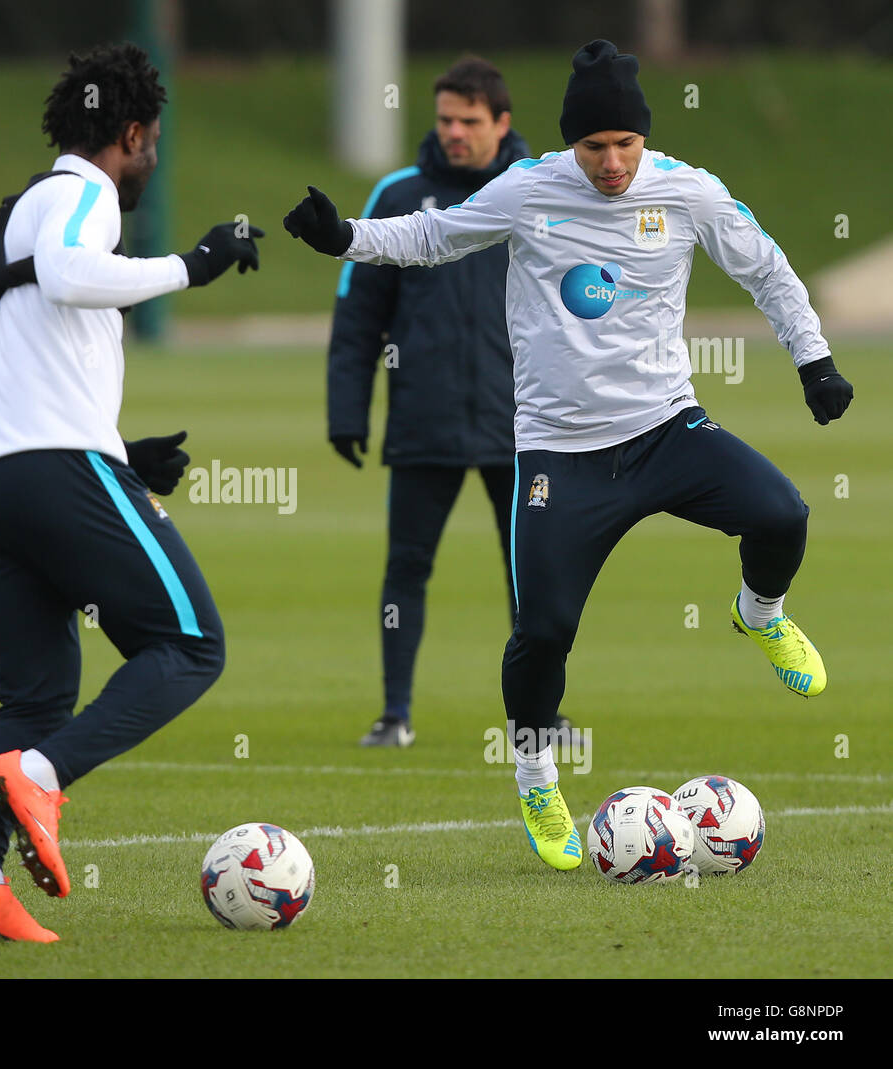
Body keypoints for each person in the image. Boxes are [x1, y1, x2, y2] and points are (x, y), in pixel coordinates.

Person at [283, 39, 852, 871]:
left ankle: (759, 615)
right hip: (559, 454)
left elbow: (767, 269)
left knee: (784, 513)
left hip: (666, 430)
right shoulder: (527, 189)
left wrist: (814, 359)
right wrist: (343, 237)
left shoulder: (687, 191)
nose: (612, 163)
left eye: (626, 144)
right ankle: (538, 774)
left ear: (644, 140)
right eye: (595, 147)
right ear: (569, 144)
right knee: (543, 629)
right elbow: (433, 236)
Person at [0, 42, 260, 942]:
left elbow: (33, 341)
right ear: (129, 135)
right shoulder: (80, 192)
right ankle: (42, 776)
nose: (150, 162)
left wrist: (124, 451)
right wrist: (196, 263)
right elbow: (75, 278)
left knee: (35, 697)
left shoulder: (22, 210)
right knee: (190, 643)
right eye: (150, 144)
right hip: (48, 466)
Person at [327, 56, 527, 748]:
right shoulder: (399, 194)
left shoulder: (537, 191)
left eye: (469, 121)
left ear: (501, 123)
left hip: (525, 421)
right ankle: (394, 714)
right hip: (425, 414)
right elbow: (358, 314)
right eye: (445, 119)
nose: (454, 132)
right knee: (406, 566)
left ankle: (540, 716)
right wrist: (346, 409)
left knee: (533, 570)